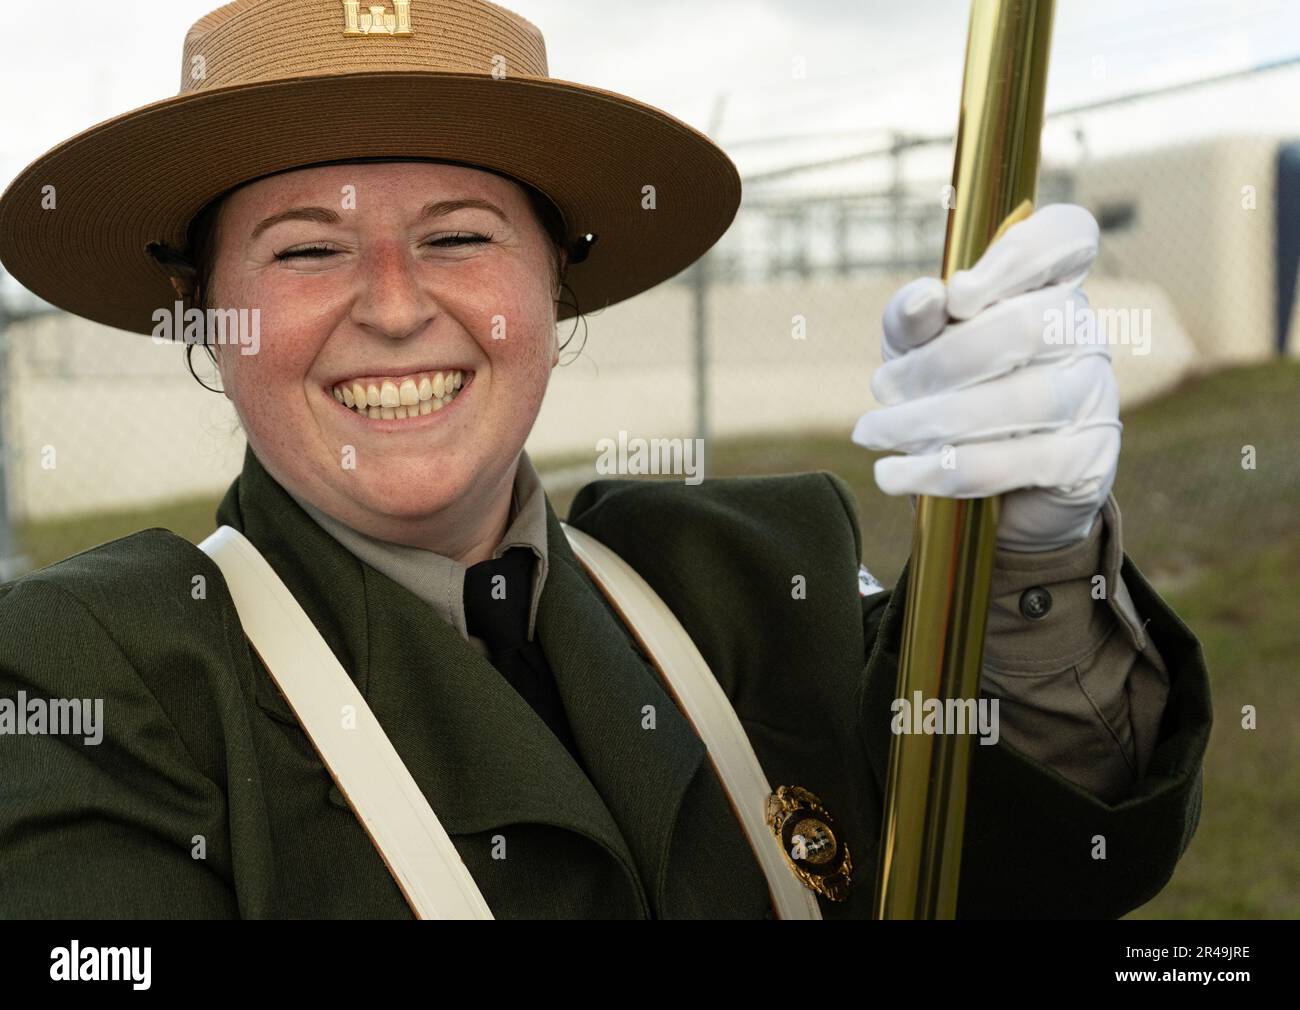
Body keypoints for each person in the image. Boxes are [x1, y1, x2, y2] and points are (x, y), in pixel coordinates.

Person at [0, 0, 1210, 919]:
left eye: (459, 235)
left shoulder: (749, 576)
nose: (392, 304)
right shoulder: (95, 677)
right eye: (306, 251)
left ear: (553, 282)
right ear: (209, 314)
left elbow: (1044, 864)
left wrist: (1032, 572)